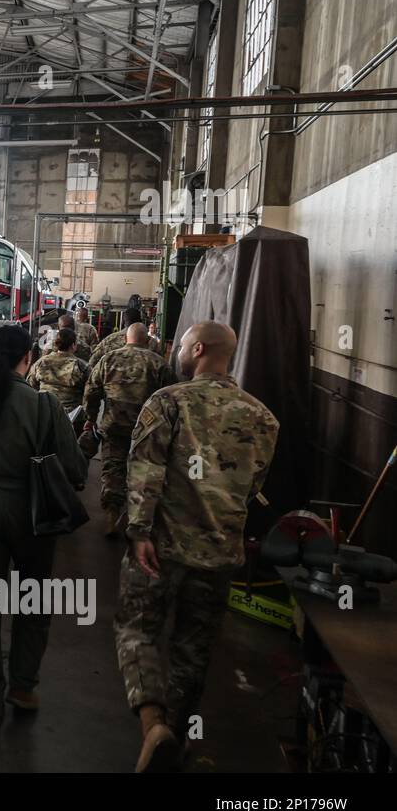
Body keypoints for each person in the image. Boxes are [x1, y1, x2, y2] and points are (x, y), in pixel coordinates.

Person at [115, 321, 279, 772]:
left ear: (199, 349)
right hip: (220, 554)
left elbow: (144, 473)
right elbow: (251, 485)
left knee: (137, 631)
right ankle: (178, 738)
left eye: (184, 344)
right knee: (194, 648)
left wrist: (140, 531)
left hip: (162, 547)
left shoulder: (168, 403)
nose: (179, 350)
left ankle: (153, 727)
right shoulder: (262, 418)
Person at [0, 324, 87, 730]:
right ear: (28, 359)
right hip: (33, 518)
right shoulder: (45, 406)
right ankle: (23, 687)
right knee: (32, 602)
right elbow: (76, 468)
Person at [83, 323, 175, 535]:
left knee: (112, 469)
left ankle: (111, 514)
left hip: (113, 425)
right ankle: (136, 521)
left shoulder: (108, 359)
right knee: (142, 472)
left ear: (126, 338)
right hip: (146, 430)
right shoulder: (158, 363)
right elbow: (169, 398)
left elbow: (92, 391)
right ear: (146, 340)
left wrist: (90, 417)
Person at [27, 328, 90, 412]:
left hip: (45, 412)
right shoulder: (81, 366)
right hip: (72, 415)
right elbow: (90, 391)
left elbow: (30, 385)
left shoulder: (41, 362)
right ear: (73, 345)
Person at [89, 307, 164, 368]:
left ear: (123, 322)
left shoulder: (109, 340)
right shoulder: (151, 342)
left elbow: (93, 361)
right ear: (140, 321)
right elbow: (161, 364)